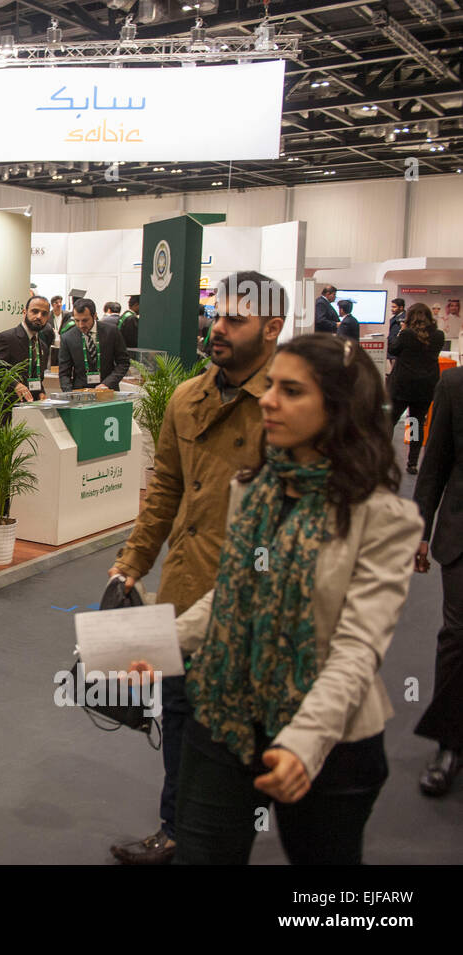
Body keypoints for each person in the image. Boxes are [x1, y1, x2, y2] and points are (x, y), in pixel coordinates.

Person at [154, 335, 420, 864]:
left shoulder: (383, 518)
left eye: (291, 390)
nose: (268, 400)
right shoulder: (253, 489)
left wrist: (304, 742)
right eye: (271, 385)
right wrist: (153, 643)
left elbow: (356, 650)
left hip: (330, 743)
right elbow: (231, 597)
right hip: (225, 717)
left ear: (340, 408)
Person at [107, 270, 285, 864]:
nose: (219, 328)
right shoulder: (187, 397)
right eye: (217, 316)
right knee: (178, 718)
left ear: (273, 326)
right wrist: (131, 564)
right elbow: (164, 490)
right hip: (183, 589)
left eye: (236, 319)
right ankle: (175, 830)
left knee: (239, 736)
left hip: (254, 606)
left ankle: (217, 838)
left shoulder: (289, 406)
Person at [411, 364, 463, 796]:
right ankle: (449, 744)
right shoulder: (455, 385)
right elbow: (435, 466)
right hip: (460, 536)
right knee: (457, 639)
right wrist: (420, 533)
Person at [387, 303, 445, 475]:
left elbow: (393, 349)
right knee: (416, 423)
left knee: (390, 420)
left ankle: (384, 458)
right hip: (425, 387)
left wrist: (401, 330)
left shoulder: (406, 334)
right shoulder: (439, 335)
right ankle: (412, 462)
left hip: (402, 386)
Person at [0, 294, 54, 402]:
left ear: (48, 318)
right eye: (35, 311)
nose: (39, 316)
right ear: (25, 312)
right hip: (4, 409)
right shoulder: (6, 338)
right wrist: (15, 384)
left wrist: (41, 392)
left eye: (44, 314)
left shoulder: (43, 346)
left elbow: (37, 378)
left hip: (30, 409)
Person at [57, 297, 129, 392]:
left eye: (85, 320)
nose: (81, 325)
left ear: (94, 316)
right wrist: (69, 394)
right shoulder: (67, 337)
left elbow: (123, 362)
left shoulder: (111, 332)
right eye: (77, 320)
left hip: (108, 391)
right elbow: (64, 373)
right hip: (80, 393)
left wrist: (107, 383)